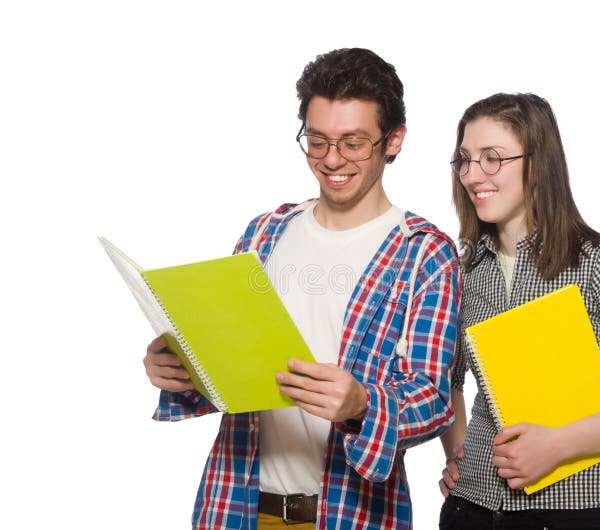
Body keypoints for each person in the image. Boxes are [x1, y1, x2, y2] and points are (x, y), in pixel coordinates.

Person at [143, 47, 461, 530]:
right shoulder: (264, 235)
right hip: (236, 508)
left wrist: (363, 404)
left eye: (354, 143)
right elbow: (231, 368)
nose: (332, 160)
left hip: (350, 515)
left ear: (393, 140)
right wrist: (180, 365)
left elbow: (434, 399)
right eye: (317, 141)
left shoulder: (425, 253)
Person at [438, 93, 600, 530]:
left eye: (492, 158)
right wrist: (458, 453)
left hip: (575, 513)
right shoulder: (463, 271)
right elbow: (450, 378)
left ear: (537, 164)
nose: (472, 175)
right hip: (471, 511)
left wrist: (557, 445)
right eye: (464, 159)